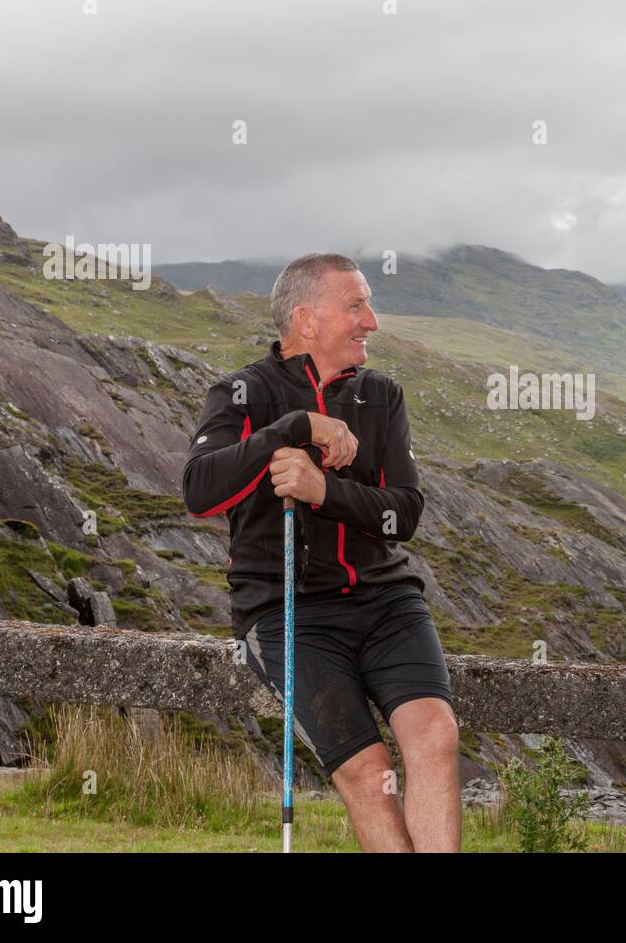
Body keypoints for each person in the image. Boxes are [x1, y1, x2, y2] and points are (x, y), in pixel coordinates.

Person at [182, 252, 461, 852]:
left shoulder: (381, 395)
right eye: (356, 305)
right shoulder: (242, 391)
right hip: (288, 610)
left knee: (434, 738)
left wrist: (323, 491)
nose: (373, 321)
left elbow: (403, 513)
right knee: (365, 770)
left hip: (387, 600)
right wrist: (293, 429)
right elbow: (199, 492)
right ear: (306, 319)